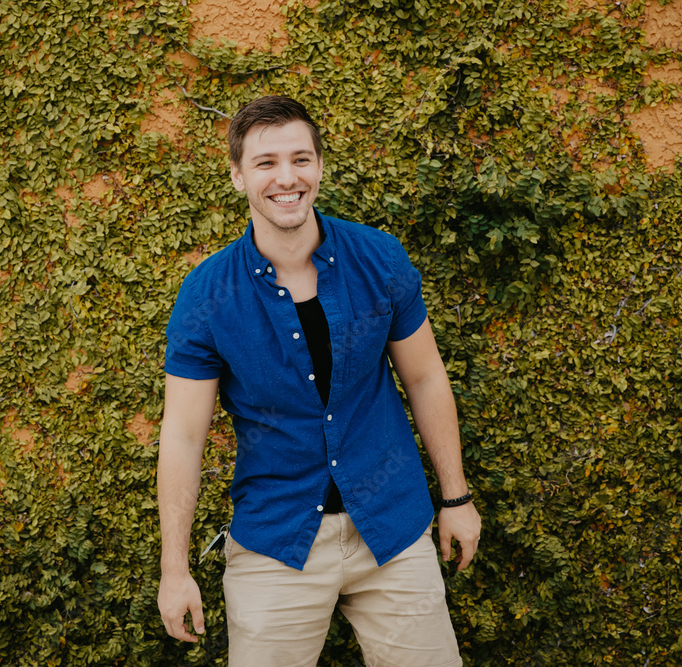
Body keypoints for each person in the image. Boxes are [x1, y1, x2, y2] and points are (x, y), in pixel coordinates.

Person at [157, 95, 481, 667]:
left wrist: (455, 496)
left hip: (392, 528)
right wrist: (175, 570)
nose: (287, 178)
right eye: (265, 163)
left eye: (300, 159)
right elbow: (183, 436)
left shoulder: (378, 258)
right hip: (275, 541)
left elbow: (427, 377)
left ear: (320, 167)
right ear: (237, 176)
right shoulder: (206, 296)